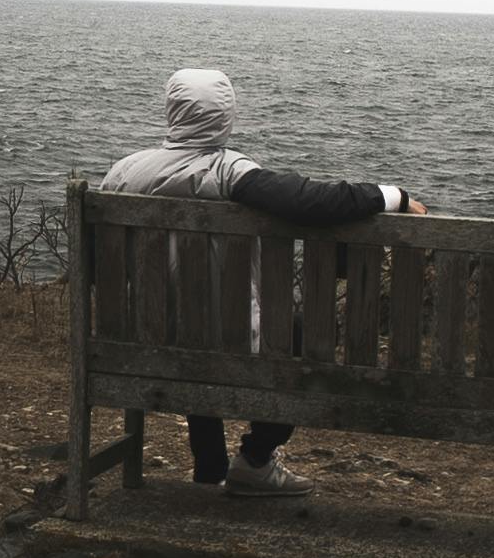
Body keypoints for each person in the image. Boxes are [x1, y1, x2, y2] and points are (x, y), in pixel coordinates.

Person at [98, 67, 425, 496]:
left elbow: (95, 260)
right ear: (227, 115)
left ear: (171, 110)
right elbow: (311, 201)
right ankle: (255, 458)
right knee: (300, 335)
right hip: (230, 345)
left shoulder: (124, 174)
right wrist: (393, 196)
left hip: (143, 346)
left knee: (194, 327)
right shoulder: (230, 172)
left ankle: (210, 468)